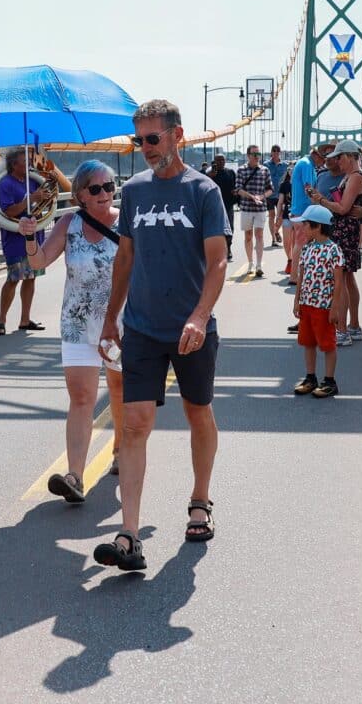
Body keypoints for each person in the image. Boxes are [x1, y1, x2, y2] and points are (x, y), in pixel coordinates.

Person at [95, 99, 228, 571]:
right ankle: (129, 534)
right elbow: (125, 259)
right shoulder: (133, 192)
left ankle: (200, 501)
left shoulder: (204, 191)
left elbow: (217, 261)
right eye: (139, 140)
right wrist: (111, 318)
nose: (146, 148)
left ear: (178, 135)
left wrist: (199, 315)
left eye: (153, 138)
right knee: (133, 425)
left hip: (192, 329)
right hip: (143, 329)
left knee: (198, 413)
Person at [19, 161, 125, 503]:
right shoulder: (69, 223)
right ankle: (75, 476)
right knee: (81, 399)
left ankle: (121, 448)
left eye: (109, 186)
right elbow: (38, 263)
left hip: (119, 323)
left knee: (120, 392)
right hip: (79, 323)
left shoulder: (128, 222)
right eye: (95, 189)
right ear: (79, 194)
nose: (104, 194)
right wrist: (30, 237)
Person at [0, 149, 66, 336]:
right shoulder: (5, 184)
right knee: (13, 278)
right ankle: (1, 320)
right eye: (24, 162)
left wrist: (47, 198)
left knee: (31, 277)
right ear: (14, 165)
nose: (29, 165)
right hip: (16, 237)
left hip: (35, 235)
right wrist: (32, 199)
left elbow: (47, 203)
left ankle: (25, 319)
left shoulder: (33, 181)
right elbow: (9, 212)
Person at [309, 140, 362, 345]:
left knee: (341, 282)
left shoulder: (353, 178)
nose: (337, 162)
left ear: (349, 156)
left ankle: (342, 331)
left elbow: (343, 208)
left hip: (344, 231)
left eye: (339, 157)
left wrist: (321, 200)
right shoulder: (358, 175)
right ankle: (354, 326)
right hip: (348, 231)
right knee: (348, 279)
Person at [291, 204, 346, 398]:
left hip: (324, 306)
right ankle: (310, 377)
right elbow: (302, 275)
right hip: (307, 304)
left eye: (305, 225)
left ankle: (329, 381)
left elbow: (339, 282)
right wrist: (297, 301)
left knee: (327, 344)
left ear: (318, 226)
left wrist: (335, 308)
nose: (302, 228)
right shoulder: (307, 248)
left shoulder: (334, 250)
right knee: (308, 342)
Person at [285, 143, 328, 289]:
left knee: (300, 242)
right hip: (304, 210)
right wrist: (320, 204)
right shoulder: (306, 164)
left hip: (302, 209)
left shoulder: (307, 163)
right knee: (301, 241)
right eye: (323, 159)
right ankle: (294, 276)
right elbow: (308, 188)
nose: (323, 162)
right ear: (316, 155)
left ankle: (297, 273)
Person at [234, 145, 273, 279]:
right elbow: (238, 189)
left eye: (259, 154)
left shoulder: (265, 170)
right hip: (246, 208)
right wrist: (252, 197)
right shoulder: (241, 170)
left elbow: (270, 189)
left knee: (260, 235)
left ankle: (258, 265)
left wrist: (261, 197)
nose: (257, 156)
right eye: (254, 154)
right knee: (248, 236)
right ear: (248, 155)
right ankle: (250, 262)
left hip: (261, 208)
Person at [210, 152, 238, 262]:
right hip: (214, 205)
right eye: (218, 160)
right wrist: (209, 175)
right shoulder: (210, 173)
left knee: (230, 228)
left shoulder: (230, 172)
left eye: (222, 160)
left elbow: (236, 186)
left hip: (228, 205)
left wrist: (236, 195)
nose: (221, 162)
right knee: (215, 229)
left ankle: (228, 248)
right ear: (214, 162)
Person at [265, 145, 290, 248]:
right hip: (270, 194)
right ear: (271, 152)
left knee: (280, 216)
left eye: (277, 151)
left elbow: (289, 178)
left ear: (280, 152)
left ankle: (276, 231)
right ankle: (273, 239)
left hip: (281, 194)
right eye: (274, 151)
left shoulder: (285, 165)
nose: (275, 152)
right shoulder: (266, 164)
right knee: (271, 216)